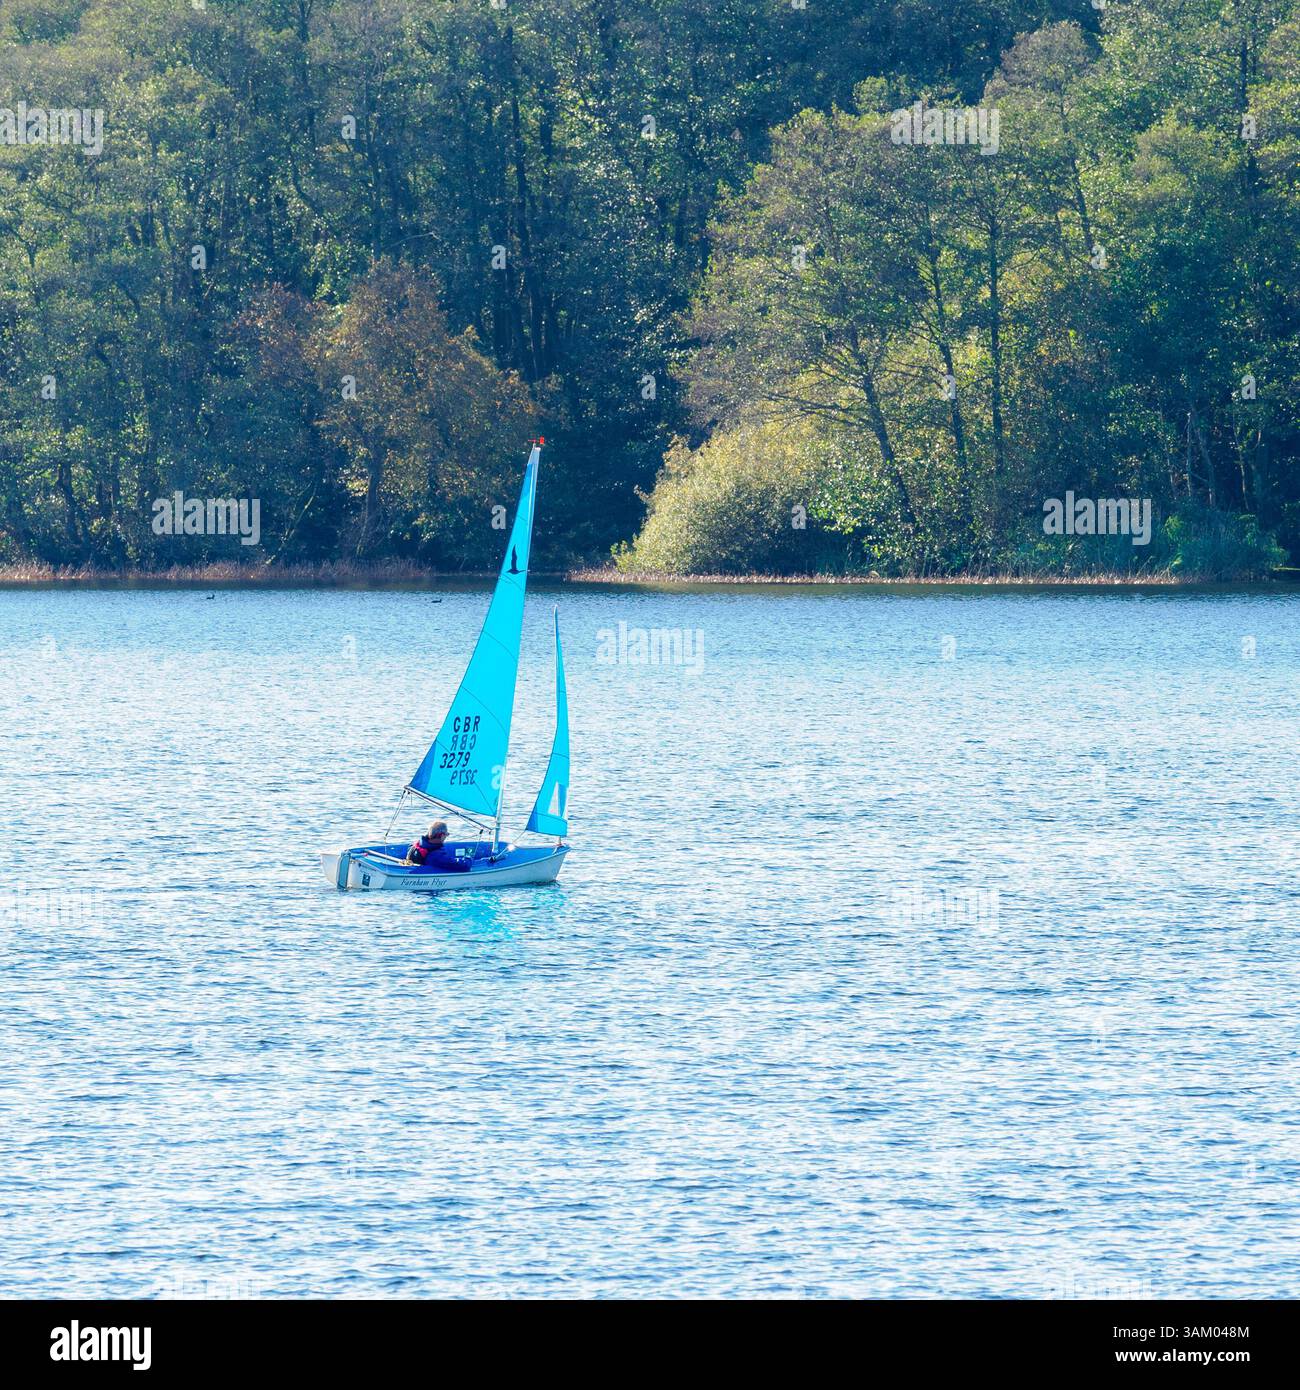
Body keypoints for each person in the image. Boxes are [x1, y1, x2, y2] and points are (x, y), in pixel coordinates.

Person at [405, 821, 471, 872]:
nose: (446, 836)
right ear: (441, 835)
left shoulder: (414, 846)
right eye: (446, 834)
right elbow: (464, 866)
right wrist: (469, 858)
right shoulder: (436, 856)